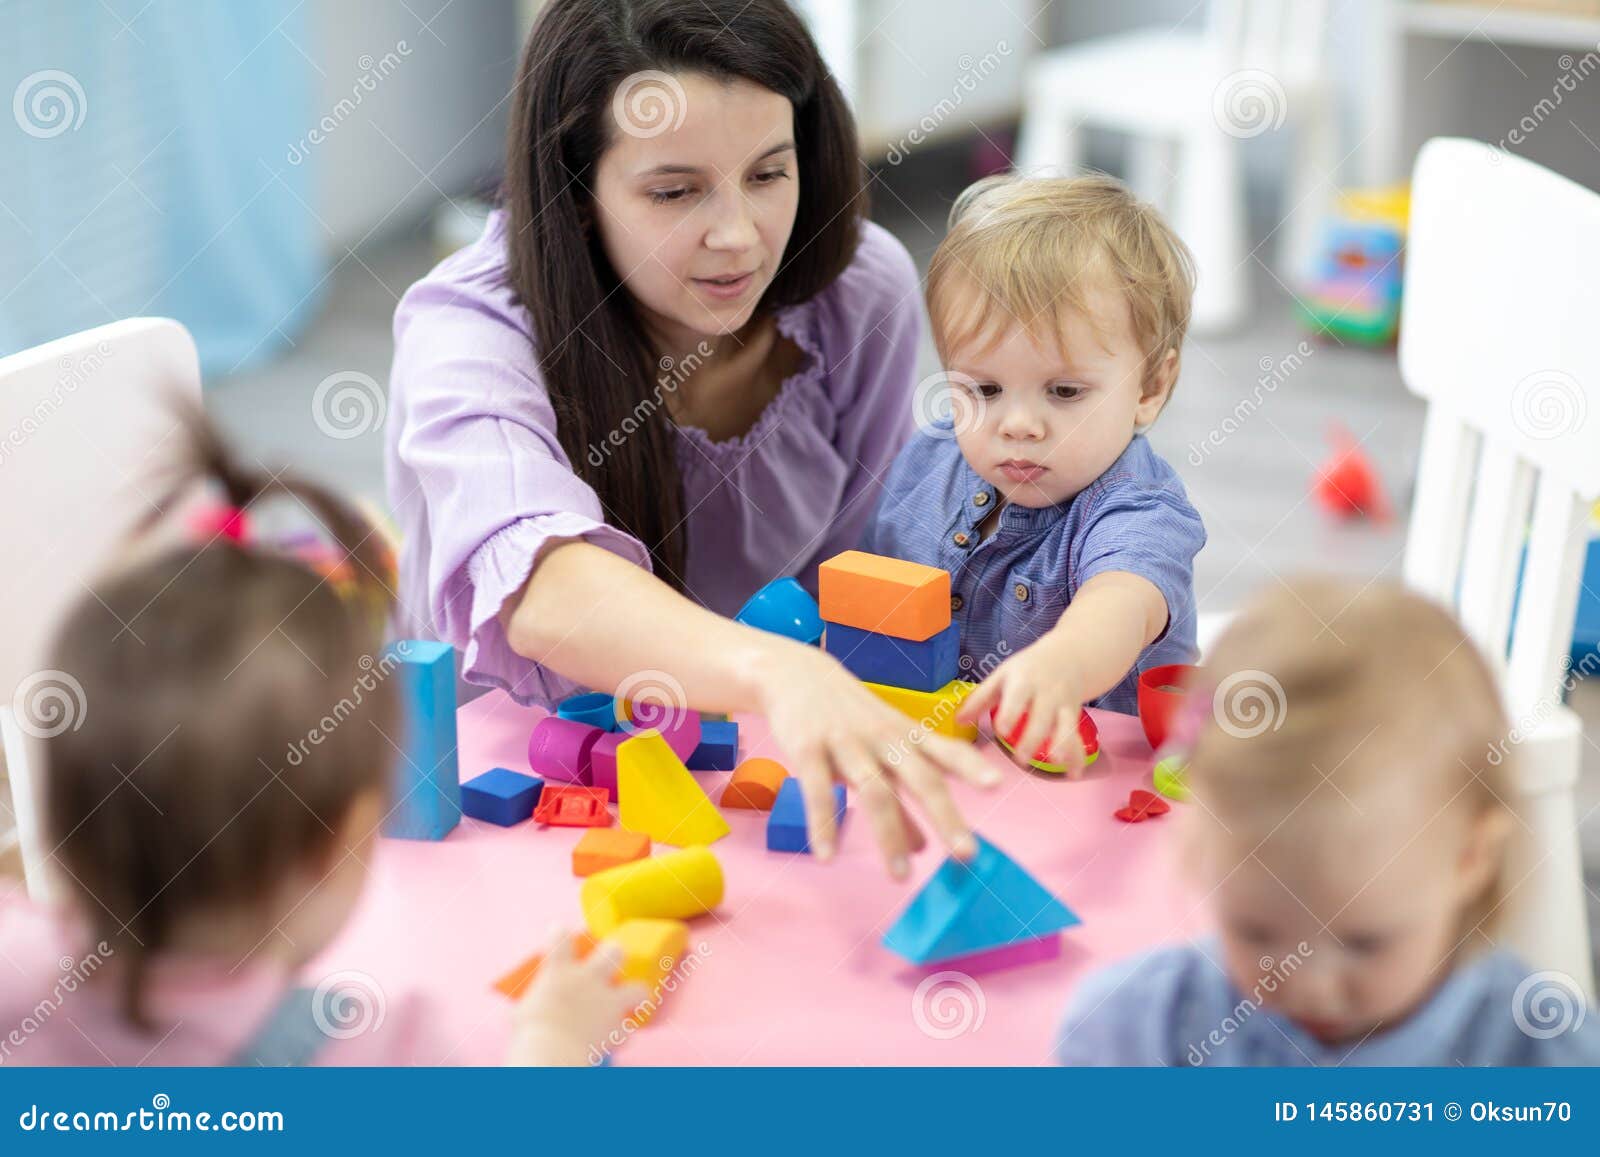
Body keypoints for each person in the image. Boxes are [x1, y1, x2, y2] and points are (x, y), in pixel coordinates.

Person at [386, 0, 996, 875]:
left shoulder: (861, 292)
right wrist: (776, 673)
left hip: (743, 758)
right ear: (576, 188)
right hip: (507, 785)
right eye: (675, 191)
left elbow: (861, 571)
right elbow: (545, 590)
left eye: (768, 174)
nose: (739, 235)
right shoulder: (470, 329)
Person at [0, 415, 642, 1066]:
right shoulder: (379, 1057)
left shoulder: (19, 980)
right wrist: (553, 1044)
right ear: (344, 840)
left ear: (53, 825)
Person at [1055, 577, 1600, 1065]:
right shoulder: (1141, 1035)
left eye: (1366, 943)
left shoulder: (1537, 1052)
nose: (1310, 986)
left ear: (1471, 859)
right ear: (1199, 849)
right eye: (1258, 932)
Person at [864, 174, 1205, 774]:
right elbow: (868, 589)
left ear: (1151, 387)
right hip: (942, 766)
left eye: (1064, 391)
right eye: (985, 388)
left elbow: (1122, 602)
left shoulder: (1138, 510)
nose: (1018, 424)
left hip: (1088, 791)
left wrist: (1064, 665)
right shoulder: (928, 460)